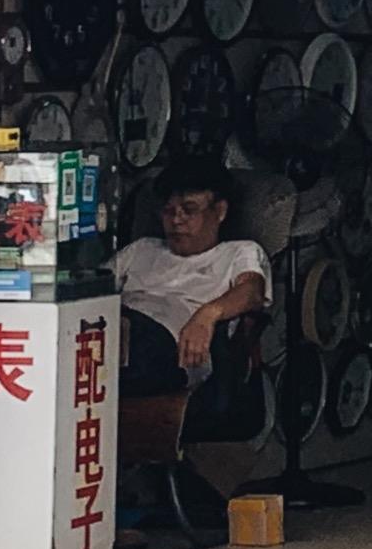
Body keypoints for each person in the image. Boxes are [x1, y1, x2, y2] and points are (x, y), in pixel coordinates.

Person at [114, 157, 270, 417]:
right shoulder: (142, 248)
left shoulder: (239, 252)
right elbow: (96, 286)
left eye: (189, 209)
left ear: (219, 211)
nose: (176, 220)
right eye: (169, 211)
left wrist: (207, 315)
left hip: (171, 344)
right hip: (117, 326)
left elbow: (252, 292)